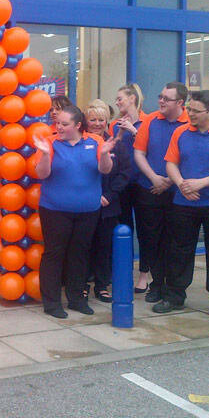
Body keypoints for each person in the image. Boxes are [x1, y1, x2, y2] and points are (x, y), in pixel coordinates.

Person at [155, 90, 209, 322]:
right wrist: (182, 184)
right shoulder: (181, 132)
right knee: (179, 249)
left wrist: (201, 184)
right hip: (184, 202)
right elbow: (171, 163)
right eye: (189, 109)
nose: (189, 114)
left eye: (195, 110)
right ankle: (174, 295)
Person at [33, 105, 116, 318]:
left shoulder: (95, 142)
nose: (58, 127)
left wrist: (105, 154)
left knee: (79, 254)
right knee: (54, 254)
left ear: (78, 125)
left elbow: (105, 170)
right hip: (54, 209)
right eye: (57, 123)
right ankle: (52, 303)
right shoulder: (50, 143)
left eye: (64, 124)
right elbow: (42, 174)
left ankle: (77, 299)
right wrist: (43, 154)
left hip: (88, 210)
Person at [132, 81, 189, 301]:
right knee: (151, 239)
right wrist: (155, 177)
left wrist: (172, 180)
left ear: (180, 102)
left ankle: (172, 286)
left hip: (179, 193)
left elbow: (192, 156)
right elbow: (139, 153)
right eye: (160, 96)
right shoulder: (150, 121)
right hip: (150, 190)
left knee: (174, 241)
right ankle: (156, 284)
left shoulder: (189, 123)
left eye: (167, 98)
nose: (161, 101)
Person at [85, 100, 131, 303]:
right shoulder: (80, 143)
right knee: (83, 247)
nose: (96, 123)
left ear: (107, 122)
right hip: (84, 205)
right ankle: (82, 285)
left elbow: (125, 173)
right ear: (85, 122)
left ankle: (102, 286)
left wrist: (109, 196)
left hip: (108, 206)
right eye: (92, 119)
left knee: (105, 247)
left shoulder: (116, 144)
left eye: (100, 119)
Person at [109, 83, 145, 235]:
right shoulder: (114, 125)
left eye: (120, 99)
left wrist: (133, 130)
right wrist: (120, 134)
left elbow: (152, 149)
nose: (116, 103)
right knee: (123, 226)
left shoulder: (148, 122)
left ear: (132, 99)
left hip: (143, 182)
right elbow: (112, 150)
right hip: (123, 182)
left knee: (145, 226)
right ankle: (125, 258)